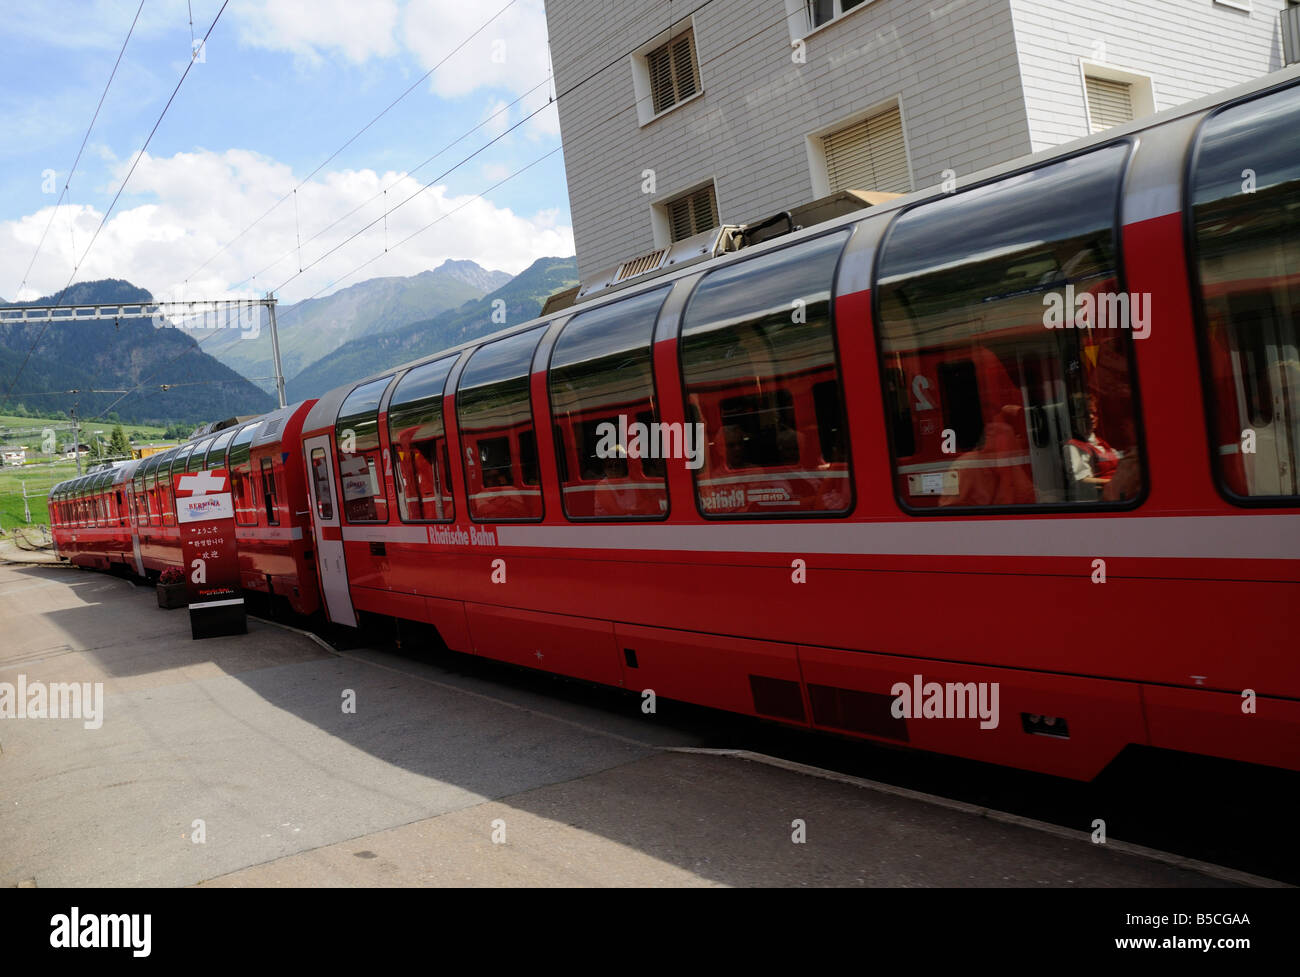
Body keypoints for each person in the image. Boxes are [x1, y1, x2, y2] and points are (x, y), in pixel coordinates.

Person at [1065, 394, 1119, 496]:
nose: (1091, 417)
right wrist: (1114, 483)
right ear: (1074, 419)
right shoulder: (1073, 447)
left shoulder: (1102, 443)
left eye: (1093, 412)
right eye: (1085, 414)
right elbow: (1081, 481)